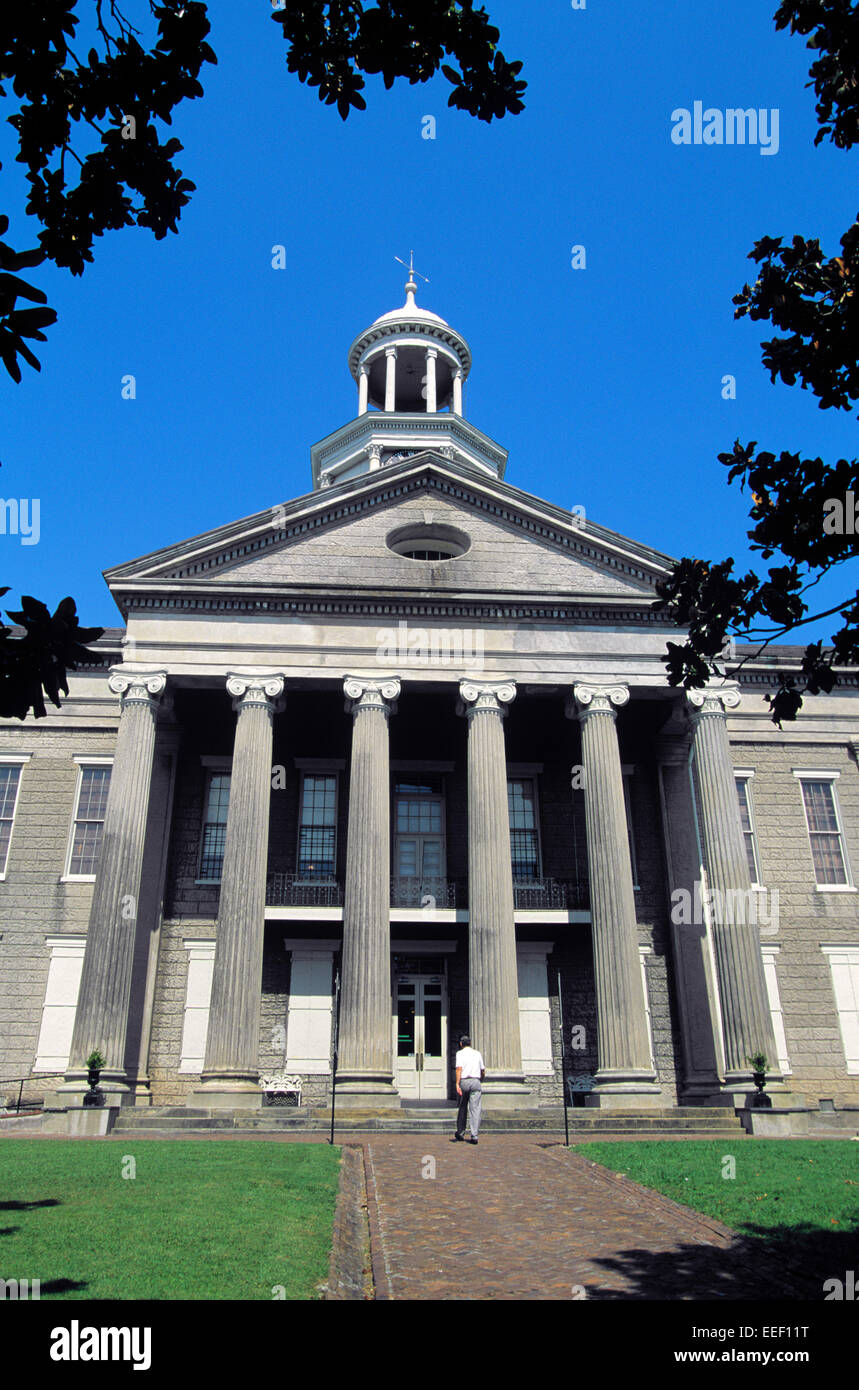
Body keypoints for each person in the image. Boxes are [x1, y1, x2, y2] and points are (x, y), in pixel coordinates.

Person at [451, 1034, 485, 1144]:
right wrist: (481, 1080)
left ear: (461, 1044)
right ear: (470, 1043)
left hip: (464, 1081)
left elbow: (459, 1069)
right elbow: (482, 1070)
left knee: (462, 1107)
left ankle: (460, 1132)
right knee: (475, 1109)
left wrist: (457, 1083)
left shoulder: (460, 1054)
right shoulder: (477, 1053)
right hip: (475, 1081)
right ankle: (474, 1135)